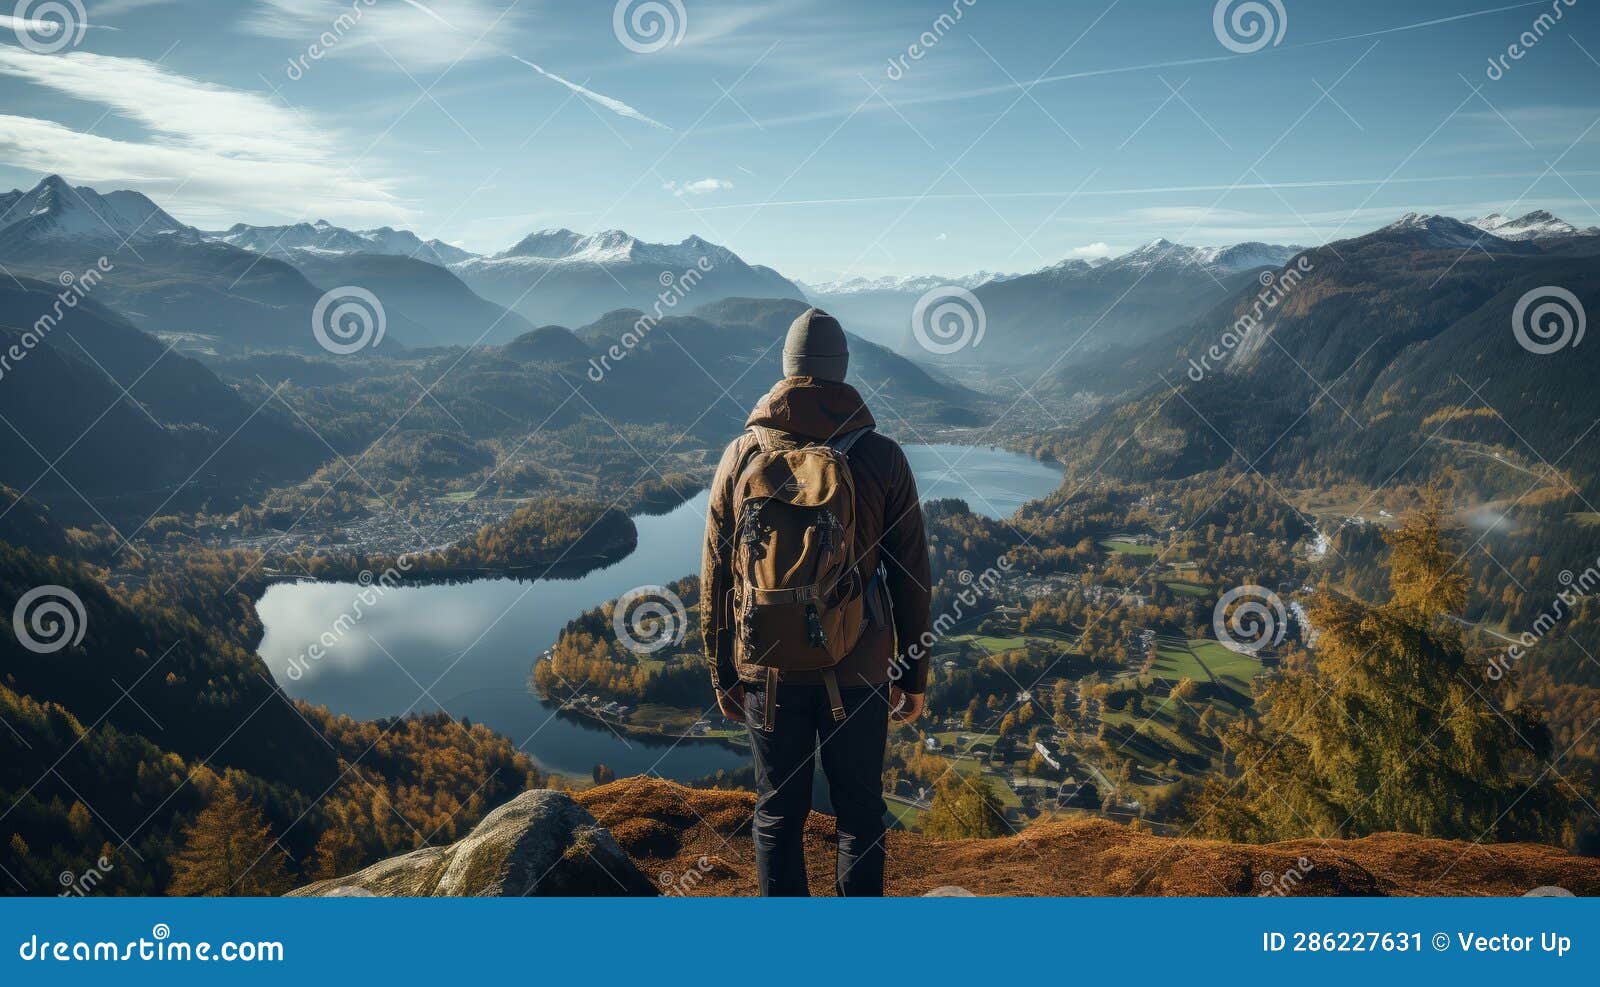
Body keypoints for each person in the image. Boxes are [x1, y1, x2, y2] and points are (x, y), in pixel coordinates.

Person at [700, 307, 932, 897]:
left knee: (778, 813)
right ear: (843, 370)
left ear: (786, 370)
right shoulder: (881, 456)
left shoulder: (740, 455)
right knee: (860, 815)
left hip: (768, 668)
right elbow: (911, 577)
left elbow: (717, 577)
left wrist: (724, 672)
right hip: (858, 669)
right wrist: (913, 675)